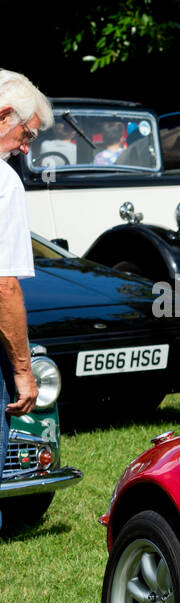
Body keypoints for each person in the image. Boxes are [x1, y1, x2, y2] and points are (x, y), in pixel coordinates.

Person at [0, 71, 52, 529]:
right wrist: (22, 372)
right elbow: (4, 285)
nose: (26, 146)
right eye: (26, 133)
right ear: (3, 117)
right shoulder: (5, 182)